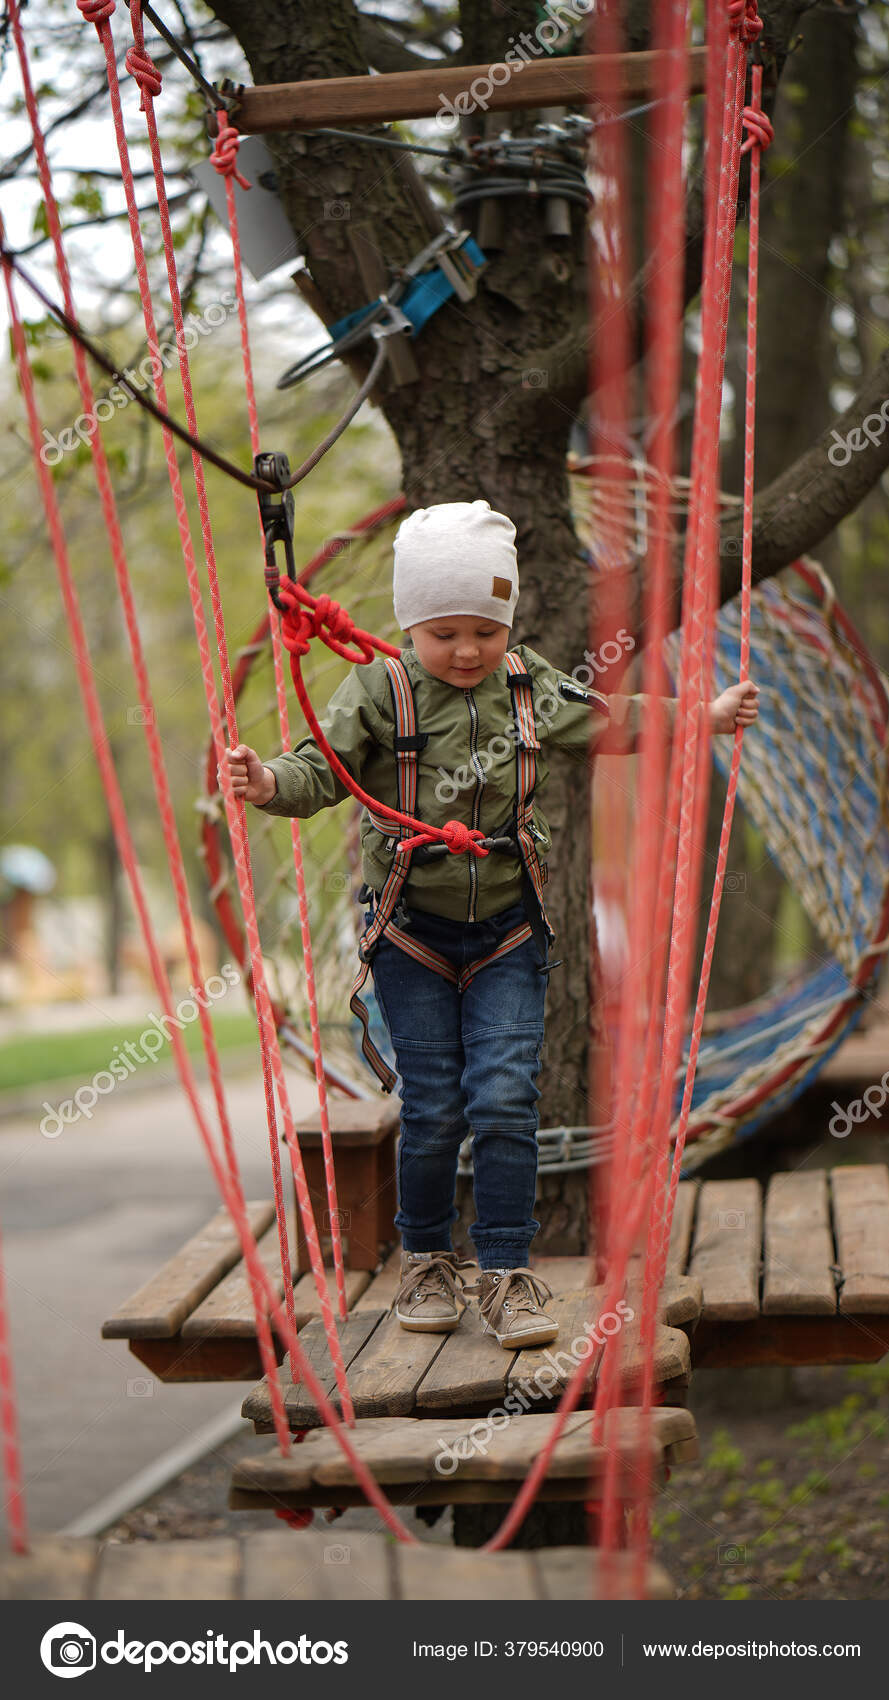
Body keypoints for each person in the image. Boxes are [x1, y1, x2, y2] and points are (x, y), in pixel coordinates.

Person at [221, 500, 758, 1350]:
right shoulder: (380, 687)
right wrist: (265, 784)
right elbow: (317, 770)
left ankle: (507, 1269)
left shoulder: (528, 684)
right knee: (434, 1106)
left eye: (483, 629)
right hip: (411, 932)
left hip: (508, 929)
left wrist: (702, 714)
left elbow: (611, 717)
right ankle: (428, 1259)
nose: (467, 650)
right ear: (409, 625)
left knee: (506, 1098)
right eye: (445, 633)